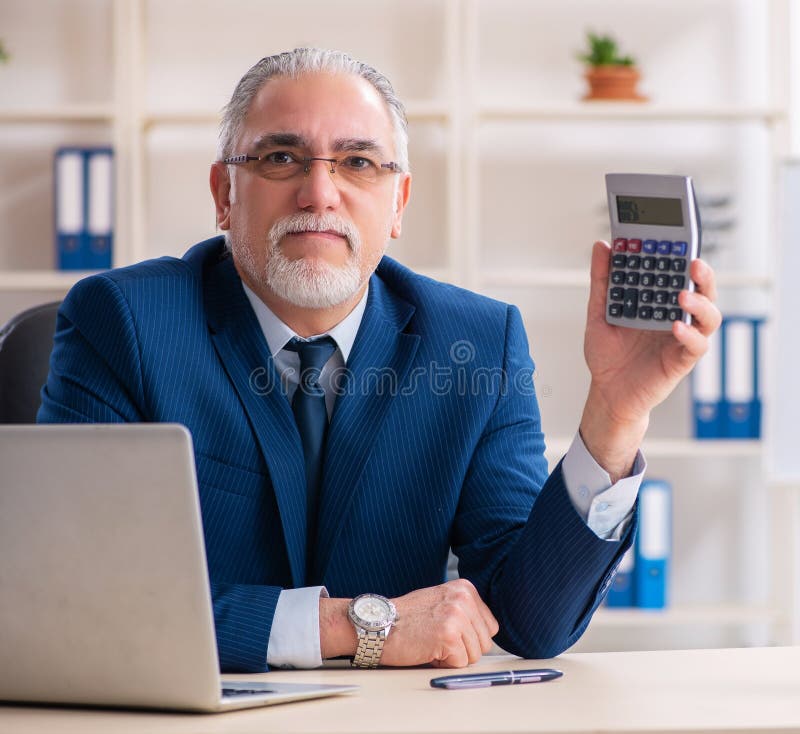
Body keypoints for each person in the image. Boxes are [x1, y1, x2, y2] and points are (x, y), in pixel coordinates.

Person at [38, 48, 721, 673]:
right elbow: (73, 598)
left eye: (359, 162)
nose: (320, 193)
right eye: (281, 158)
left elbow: (529, 621)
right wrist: (361, 626)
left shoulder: (480, 343)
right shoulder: (123, 324)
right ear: (224, 193)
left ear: (398, 203)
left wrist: (615, 413)